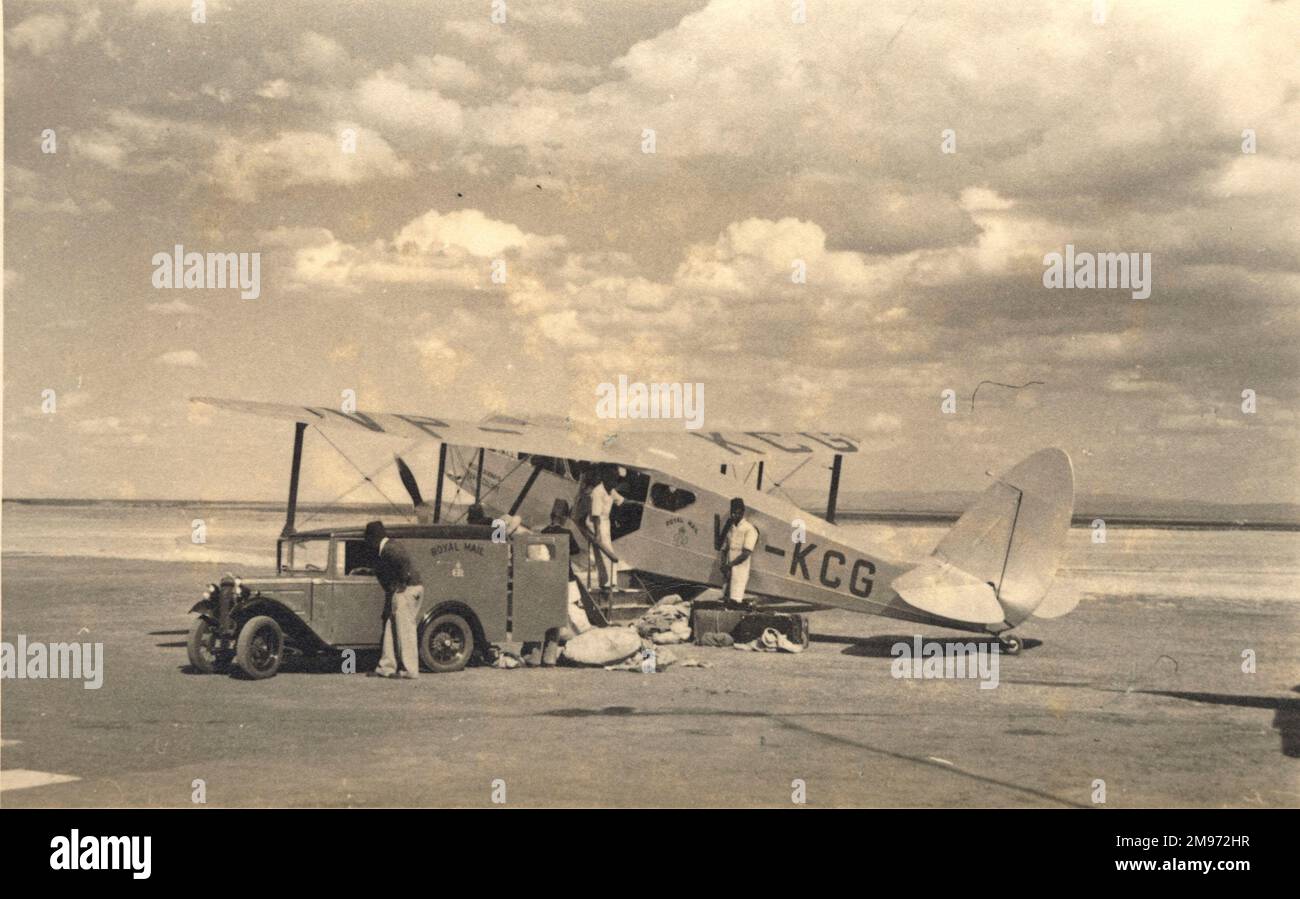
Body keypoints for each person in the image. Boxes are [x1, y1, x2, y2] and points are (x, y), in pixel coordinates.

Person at [365, 521, 423, 679]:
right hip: (405, 589)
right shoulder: (389, 546)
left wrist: (403, 583)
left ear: (373, 538)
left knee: (405, 629)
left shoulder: (390, 548)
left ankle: (409, 671)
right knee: (391, 628)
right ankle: (386, 667)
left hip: (407, 590)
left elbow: (403, 562)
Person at [541, 498, 592, 636]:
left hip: (550, 574)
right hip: (566, 574)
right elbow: (575, 550)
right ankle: (581, 632)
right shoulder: (567, 533)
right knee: (574, 605)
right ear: (563, 517)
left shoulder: (544, 532)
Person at [573, 470, 619, 592]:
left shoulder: (611, 490)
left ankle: (607, 582)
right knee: (606, 551)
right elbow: (596, 515)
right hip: (596, 523)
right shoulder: (598, 492)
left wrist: (638, 505)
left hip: (605, 522)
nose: (615, 482)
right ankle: (609, 583)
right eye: (614, 479)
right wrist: (597, 533)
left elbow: (620, 500)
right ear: (606, 478)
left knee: (604, 552)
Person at [720, 498, 758, 608]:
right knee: (725, 596)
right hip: (729, 567)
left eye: (737, 512)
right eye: (732, 511)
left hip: (740, 568)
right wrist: (723, 564)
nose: (734, 514)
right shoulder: (731, 528)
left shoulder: (749, 529)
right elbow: (725, 548)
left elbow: (746, 553)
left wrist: (730, 565)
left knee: (735, 598)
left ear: (742, 512)